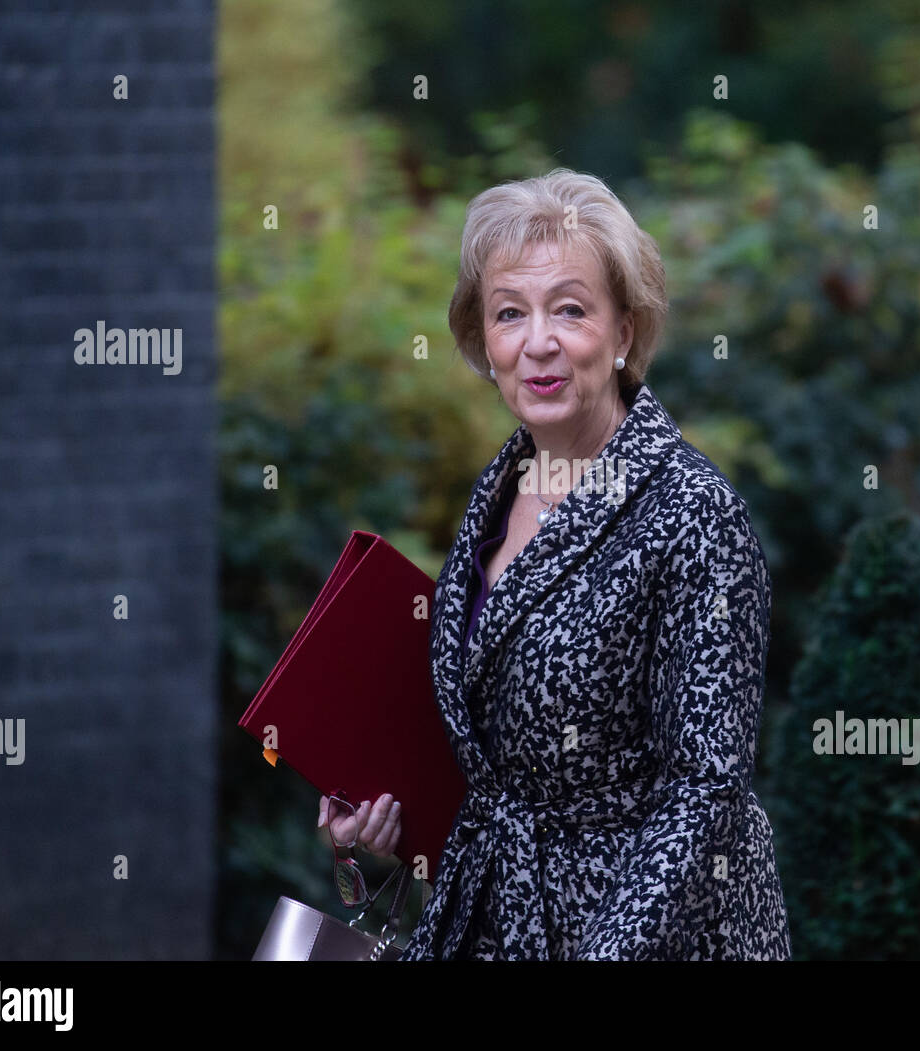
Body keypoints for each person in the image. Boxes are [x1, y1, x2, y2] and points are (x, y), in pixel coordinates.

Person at [319, 168, 792, 960]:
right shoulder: (497, 492)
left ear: (625, 333)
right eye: (510, 313)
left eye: (569, 309)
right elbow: (496, 762)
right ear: (484, 340)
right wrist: (380, 817)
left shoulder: (693, 511)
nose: (537, 340)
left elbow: (705, 788)